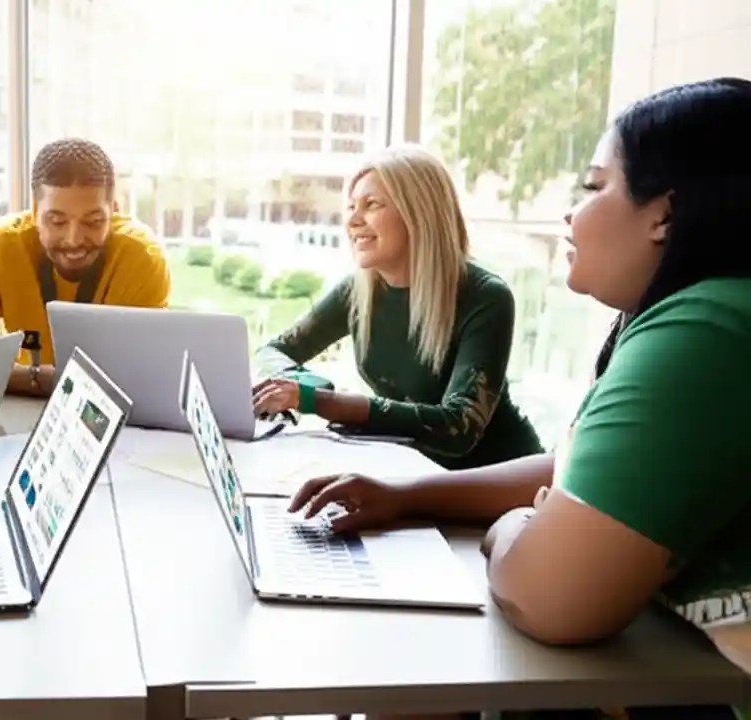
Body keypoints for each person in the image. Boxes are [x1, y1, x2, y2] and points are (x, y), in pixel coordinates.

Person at [290, 78, 751, 720]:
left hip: (710, 695)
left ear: (665, 216)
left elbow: (553, 597)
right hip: (678, 659)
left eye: (593, 187)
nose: (572, 213)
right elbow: (576, 475)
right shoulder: (707, 314)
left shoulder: (704, 329)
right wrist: (406, 498)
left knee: (412, 672)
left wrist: (515, 528)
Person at [252, 145, 542, 470]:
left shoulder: (486, 296)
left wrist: (320, 401)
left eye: (371, 205)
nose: (353, 220)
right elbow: (274, 351)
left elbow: (457, 428)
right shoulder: (358, 291)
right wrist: (307, 386)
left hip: (503, 487)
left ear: (419, 213)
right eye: (351, 207)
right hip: (416, 478)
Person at [0, 138, 170, 396]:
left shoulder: (142, 257)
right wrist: (41, 378)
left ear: (113, 211)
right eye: (57, 221)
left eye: (93, 221)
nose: (73, 240)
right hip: (17, 409)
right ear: (35, 211)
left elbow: (138, 383)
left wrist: (16, 376)